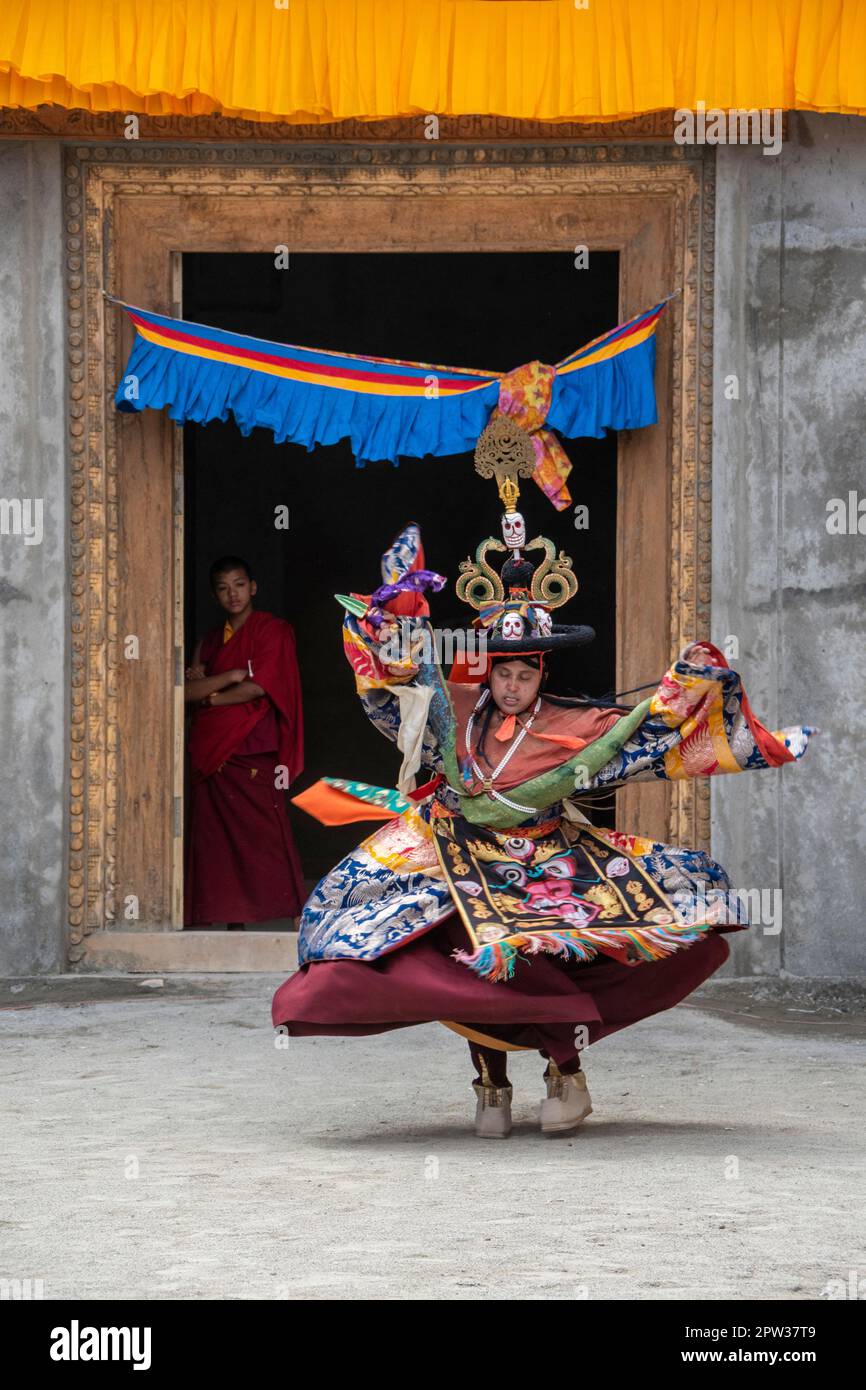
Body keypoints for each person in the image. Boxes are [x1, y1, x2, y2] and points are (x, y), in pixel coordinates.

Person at [271, 449, 813, 1139]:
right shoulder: (459, 709)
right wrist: (397, 623)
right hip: (458, 850)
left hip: (545, 860)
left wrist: (684, 692)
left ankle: (566, 1073)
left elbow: (649, 738)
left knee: (537, 957)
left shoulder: (575, 722)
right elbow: (394, 698)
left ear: (542, 668)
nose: (512, 688)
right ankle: (491, 1087)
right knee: (455, 952)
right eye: (502, 676)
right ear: (488, 671)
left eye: (524, 676)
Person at [184, 555, 305, 929]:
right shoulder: (207, 643)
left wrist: (211, 695)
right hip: (213, 753)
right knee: (217, 842)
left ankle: (296, 914)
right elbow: (185, 692)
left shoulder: (273, 631)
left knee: (265, 836)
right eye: (223, 588)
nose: (232, 594)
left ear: (252, 587)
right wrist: (230, 677)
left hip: (253, 749)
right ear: (214, 595)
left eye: (238, 584)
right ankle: (231, 920)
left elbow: (260, 686)